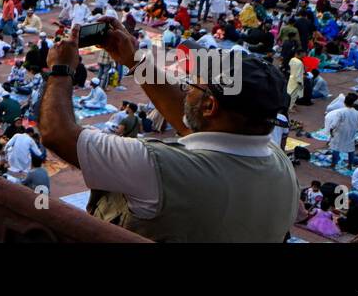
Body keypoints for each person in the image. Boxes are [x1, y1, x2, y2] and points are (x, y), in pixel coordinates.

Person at [39, 21, 298, 242]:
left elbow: (56, 133)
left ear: (210, 106)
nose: (186, 91)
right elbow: (190, 119)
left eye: (192, 85)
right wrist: (133, 59)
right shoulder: (279, 164)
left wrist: (61, 70)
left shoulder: (159, 166)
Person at [324, 92, 358, 170]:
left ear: (345, 102)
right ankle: (349, 165)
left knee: (336, 148)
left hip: (339, 132)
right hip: (351, 133)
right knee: (350, 149)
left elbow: (334, 124)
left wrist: (331, 131)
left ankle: (333, 164)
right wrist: (354, 129)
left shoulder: (341, 112)